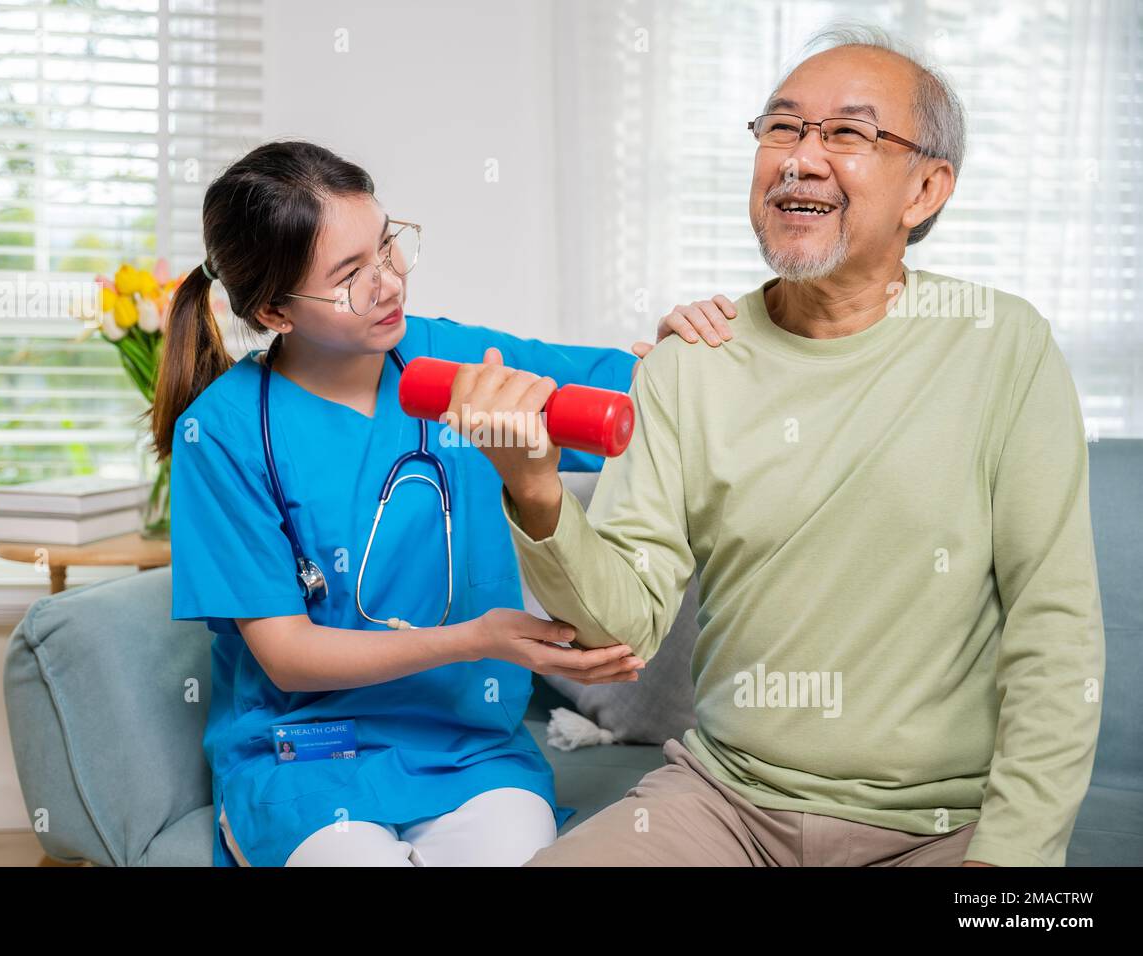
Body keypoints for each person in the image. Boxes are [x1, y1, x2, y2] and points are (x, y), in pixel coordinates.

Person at [449, 25, 1105, 868]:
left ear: (927, 188)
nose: (800, 158)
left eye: (849, 134)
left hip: (946, 826)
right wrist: (535, 491)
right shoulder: (691, 362)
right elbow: (624, 630)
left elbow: (1056, 634)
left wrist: (1005, 863)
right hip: (723, 803)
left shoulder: (1002, 345)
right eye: (782, 128)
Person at [149, 140, 739, 867]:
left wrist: (687, 349)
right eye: (348, 275)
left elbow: (644, 401)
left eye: (388, 245)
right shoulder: (226, 433)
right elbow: (289, 656)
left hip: (467, 748)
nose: (389, 282)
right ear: (275, 310)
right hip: (304, 756)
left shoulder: (456, 364)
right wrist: (475, 639)